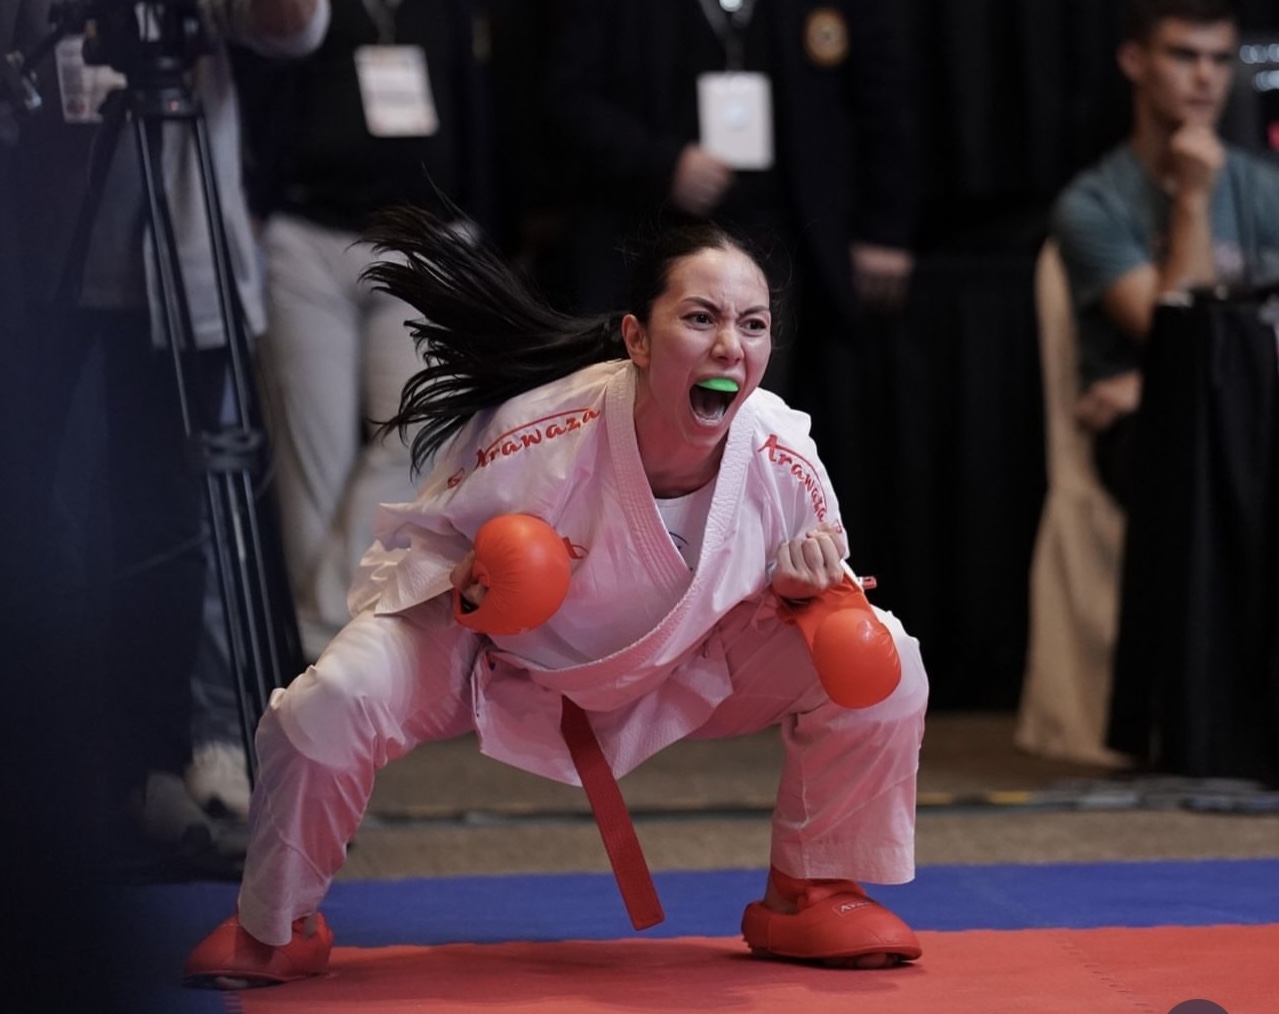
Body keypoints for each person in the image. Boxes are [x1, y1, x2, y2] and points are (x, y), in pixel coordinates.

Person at [180, 210, 930, 988]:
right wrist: (475, 588)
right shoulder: (539, 434)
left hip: (682, 660)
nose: (728, 347)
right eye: (699, 318)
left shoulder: (780, 452)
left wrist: (807, 591)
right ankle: (277, 921)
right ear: (637, 339)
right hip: (498, 658)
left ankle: (812, 890)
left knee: (887, 658)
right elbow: (417, 557)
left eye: (752, 324)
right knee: (330, 698)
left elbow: (827, 594)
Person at [0, 0, 329, 874]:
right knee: (41, 526)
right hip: (42, 264)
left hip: (184, 270)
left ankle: (156, 767)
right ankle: (55, 777)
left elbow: (296, 27)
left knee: (170, 525)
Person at [543, 0, 919, 584]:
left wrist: (883, 225)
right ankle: (623, 583)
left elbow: (881, 100)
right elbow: (565, 100)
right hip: (647, 241)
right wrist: (664, 163)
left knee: (751, 424)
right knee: (632, 418)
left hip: (780, 243)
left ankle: (742, 582)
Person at [238, 0, 495, 661]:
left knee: (419, 433)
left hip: (425, 239)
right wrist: (255, 206)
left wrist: (481, 220)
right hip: (308, 238)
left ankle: (318, 631)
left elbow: (478, 94)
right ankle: (316, 667)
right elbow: (260, 80)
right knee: (310, 458)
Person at [1051, 0, 1279, 510]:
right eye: (1184, 55)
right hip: (1151, 437)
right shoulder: (1093, 204)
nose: (1206, 77)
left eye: (1221, 59)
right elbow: (1176, 343)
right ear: (1135, 61)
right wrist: (1193, 199)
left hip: (1244, 403)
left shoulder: (1266, 187)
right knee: (1197, 440)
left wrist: (1140, 383)